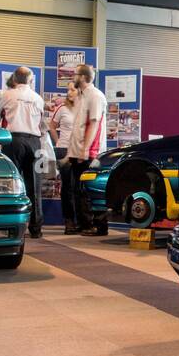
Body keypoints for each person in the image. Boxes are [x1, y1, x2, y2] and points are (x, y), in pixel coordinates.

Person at [0, 67, 45, 239]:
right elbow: (41, 122)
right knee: (35, 185)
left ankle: (10, 223)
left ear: (14, 79)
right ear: (30, 80)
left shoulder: (6, 95)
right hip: (35, 142)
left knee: (10, 183)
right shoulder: (38, 98)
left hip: (13, 140)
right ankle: (36, 228)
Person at [66, 64, 106, 236]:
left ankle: (96, 225)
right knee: (78, 190)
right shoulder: (82, 96)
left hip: (89, 152)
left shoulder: (95, 96)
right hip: (78, 151)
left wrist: (85, 150)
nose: (73, 76)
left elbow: (94, 123)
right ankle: (84, 224)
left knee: (89, 190)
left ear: (82, 77)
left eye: (75, 74)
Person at [50, 87, 79, 234]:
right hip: (64, 149)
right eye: (68, 90)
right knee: (67, 187)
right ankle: (69, 222)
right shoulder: (62, 108)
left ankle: (81, 221)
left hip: (79, 151)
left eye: (73, 89)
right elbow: (52, 127)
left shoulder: (85, 108)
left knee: (79, 187)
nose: (69, 92)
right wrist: (57, 142)